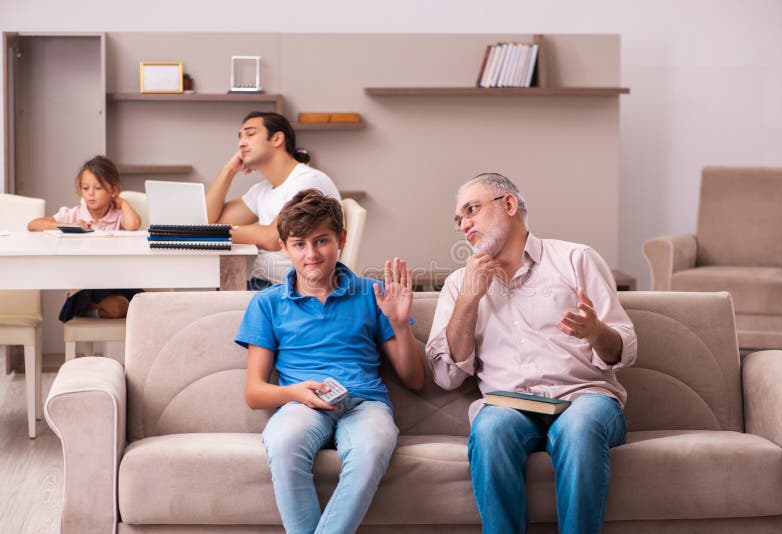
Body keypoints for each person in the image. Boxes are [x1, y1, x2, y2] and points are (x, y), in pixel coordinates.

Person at [425, 173, 637, 534]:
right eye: (459, 219)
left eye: (471, 210)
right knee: (490, 429)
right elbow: (447, 376)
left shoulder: (575, 259)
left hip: (584, 399)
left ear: (508, 204)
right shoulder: (459, 283)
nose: (464, 225)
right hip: (509, 406)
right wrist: (469, 300)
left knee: (580, 426)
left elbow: (625, 347)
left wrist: (596, 331)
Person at [235, 189, 424, 534]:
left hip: (364, 403)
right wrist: (296, 393)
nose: (311, 254)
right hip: (301, 403)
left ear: (342, 239)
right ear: (283, 247)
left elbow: (414, 380)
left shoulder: (372, 294)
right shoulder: (267, 304)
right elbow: (254, 392)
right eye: (299, 244)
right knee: (283, 441)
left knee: (373, 445)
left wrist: (399, 324)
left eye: (322, 241)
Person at [206, 111, 341, 290]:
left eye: (250, 134)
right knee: (207, 295)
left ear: (277, 139)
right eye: (240, 137)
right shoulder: (263, 189)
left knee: (204, 301)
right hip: (262, 285)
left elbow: (272, 238)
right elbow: (209, 221)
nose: (241, 143)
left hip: (291, 289)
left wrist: (218, 232)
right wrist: (229, 170)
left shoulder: (308, 181)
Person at [27, 155, 143, 321]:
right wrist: (72, 226)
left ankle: (88, 310)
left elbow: (133, 225)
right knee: (121, 305)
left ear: (113, 190)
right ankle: (81, 307)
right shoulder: (75, 214)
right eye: (86, 188)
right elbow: (33, 224)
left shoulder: (118, 216)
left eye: (98, 188)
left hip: (115, 280)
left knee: (121, 306)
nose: (91, 194)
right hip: (86, 283)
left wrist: (122, 202)